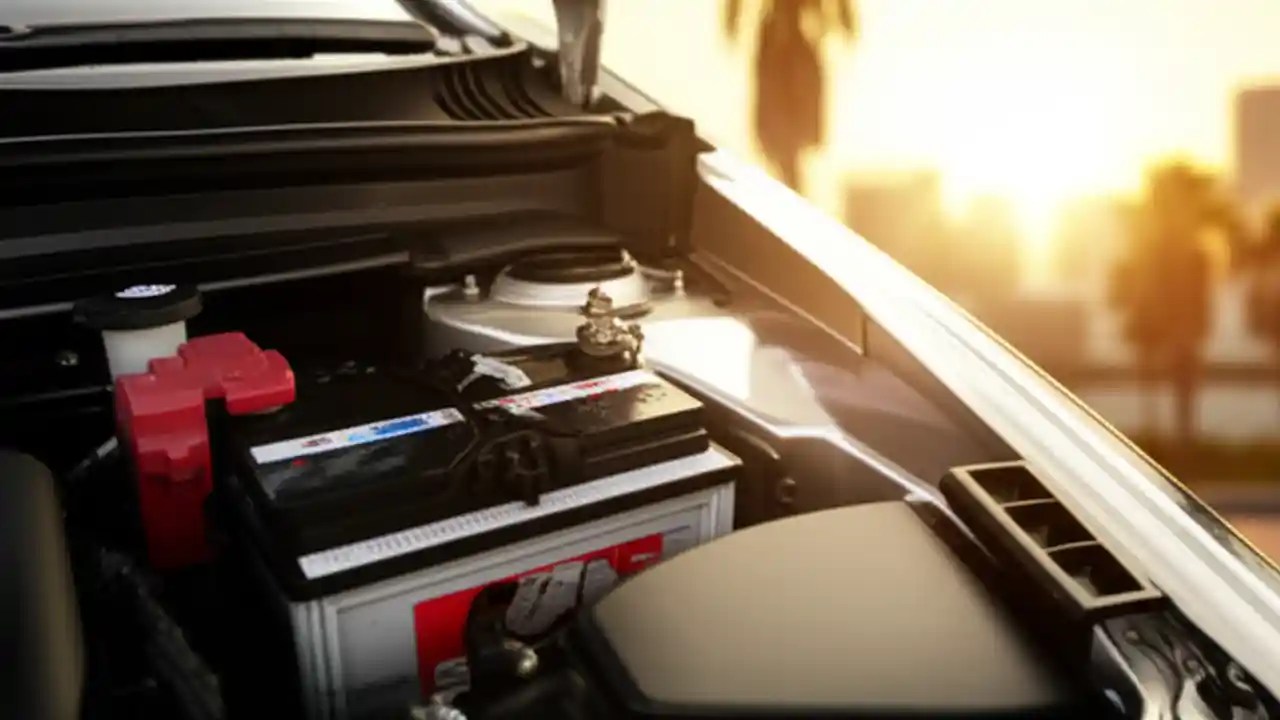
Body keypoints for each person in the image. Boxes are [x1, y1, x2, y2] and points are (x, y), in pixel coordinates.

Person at [723, 0, 857, 193]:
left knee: (787, 144)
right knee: (781, 145)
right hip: (781, 45)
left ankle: (792, 192)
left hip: (798, 43)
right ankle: (791, 192)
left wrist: (846, 21)